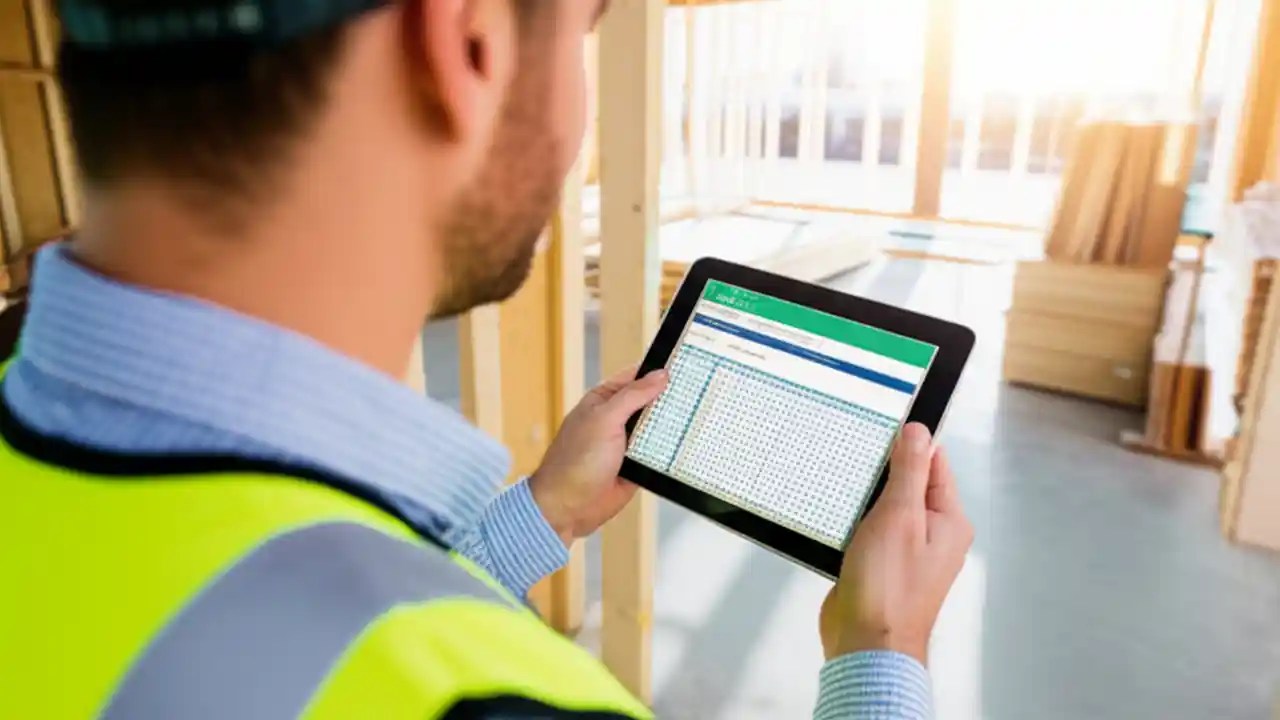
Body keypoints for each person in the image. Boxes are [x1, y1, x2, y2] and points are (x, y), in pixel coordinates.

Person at [0, 1, 974, 718]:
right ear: (469, 40)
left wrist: (537, 514)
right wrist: (879, 650)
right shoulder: (497, 702)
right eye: (584, 33)